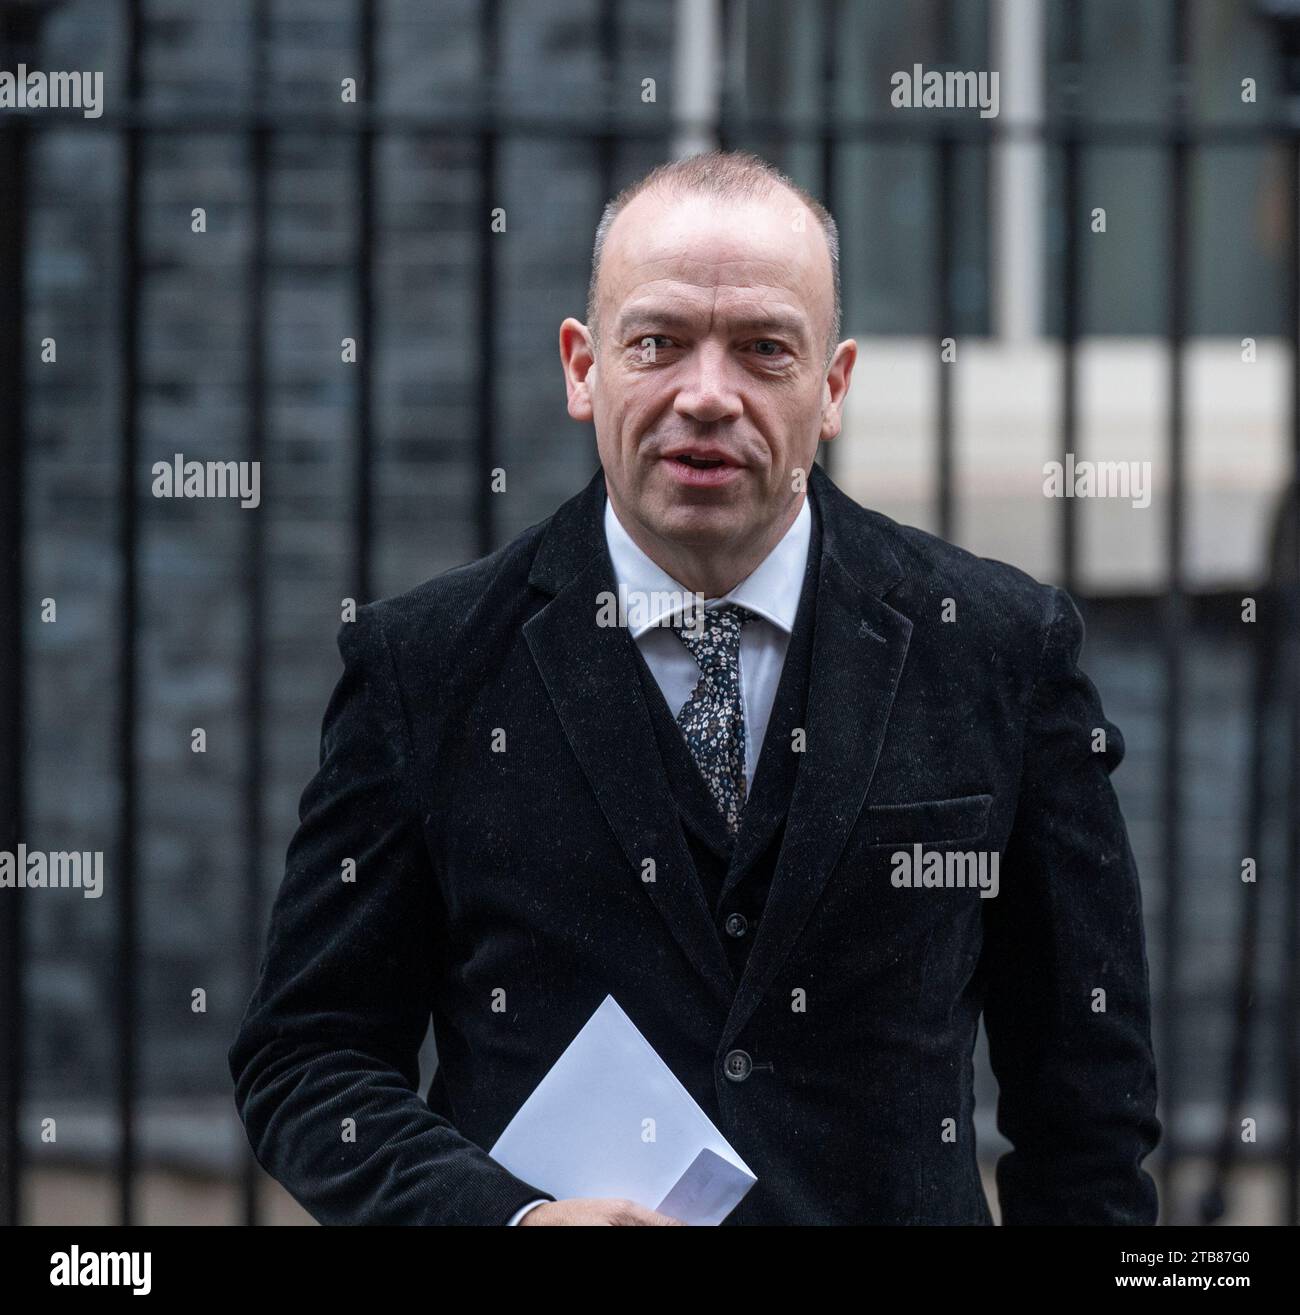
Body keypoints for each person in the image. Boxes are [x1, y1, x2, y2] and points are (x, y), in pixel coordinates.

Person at [228, 149, 1161, 1226]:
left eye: (764, 350)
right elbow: (308, 1057)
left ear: (833, 387)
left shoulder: (999, 650)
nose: (707, 395)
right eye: (658, 343)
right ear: (584, 368)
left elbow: (1086, 1104)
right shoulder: (424, 666)